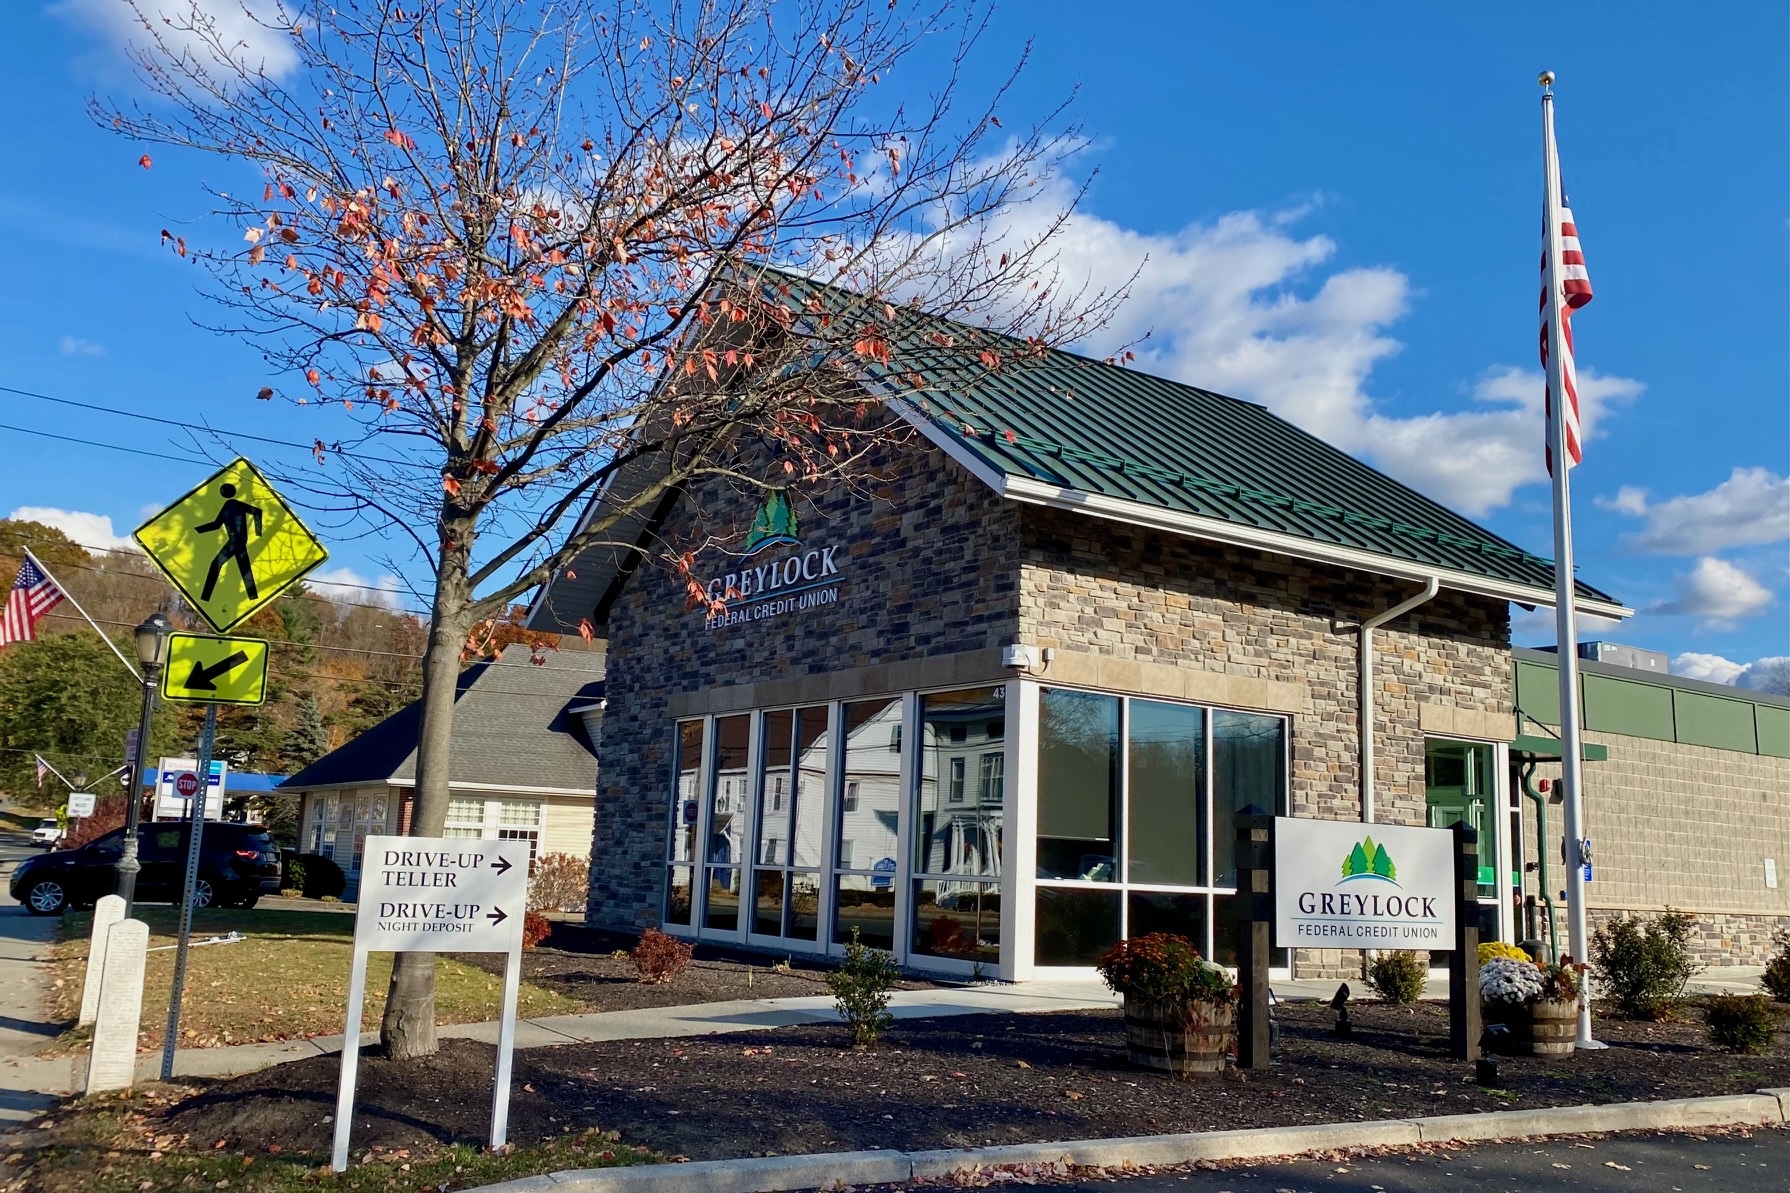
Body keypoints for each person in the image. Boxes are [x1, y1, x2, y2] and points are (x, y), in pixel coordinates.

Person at [196, 483, 264, 601]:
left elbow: (257, 511)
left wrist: (258, 533)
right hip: (237, 540)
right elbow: (216, 525)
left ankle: (205, 597)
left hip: (236, 541)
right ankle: (253, 596)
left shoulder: (234, 504)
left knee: (216, 564)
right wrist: (197, 530)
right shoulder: (228, 505)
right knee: (244, 568)